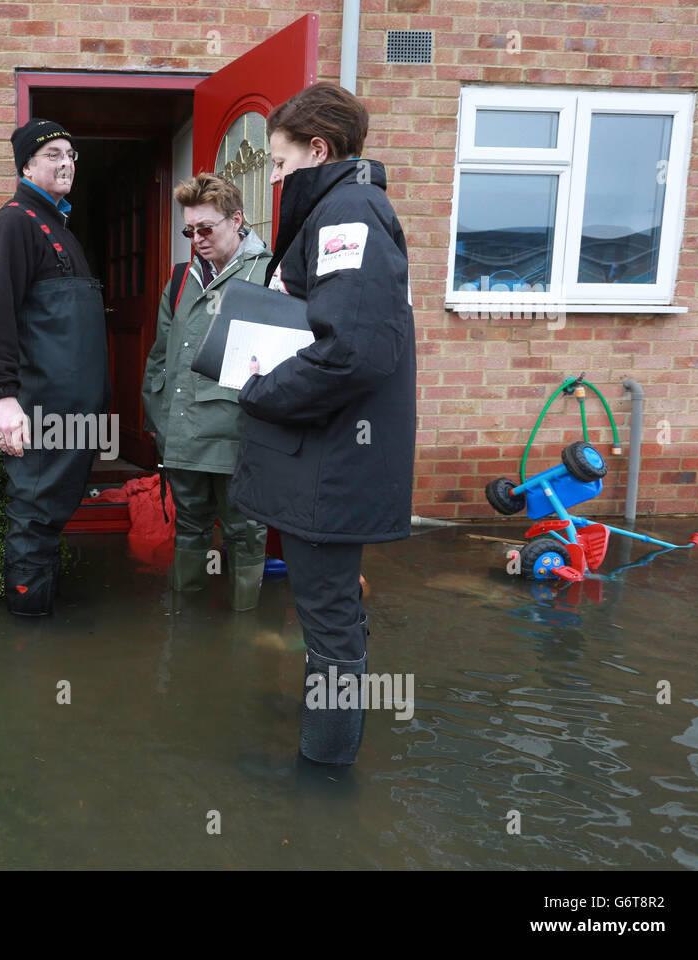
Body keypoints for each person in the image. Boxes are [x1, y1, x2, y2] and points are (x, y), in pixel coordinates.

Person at [230, 83, 417, 765]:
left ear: (318, 149)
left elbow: (353, 352)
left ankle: (323, 783)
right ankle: (323, 755)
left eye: (278, 166)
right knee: (331, 619)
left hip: (331, 465)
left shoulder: (350, 213)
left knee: (332, 631)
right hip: (322, 461)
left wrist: (259, 390)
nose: (274, 181)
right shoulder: (338, 211)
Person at [0, 118, 110, 616]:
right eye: (52, 153)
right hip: (38, 405)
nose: (65, 162)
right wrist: (3, 398)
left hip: (74, 409)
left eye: (71, 154)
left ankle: (44, 611)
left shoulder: (57, 226)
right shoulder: (14, 223)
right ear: (26, 165)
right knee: (34, 513)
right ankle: (28, 630)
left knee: (52, 512)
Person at [140, 173, 270, 610]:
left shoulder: (268, 273)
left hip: (240, 435)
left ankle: (243, 629)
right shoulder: (180, 279)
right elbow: (159, 357)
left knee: (245, 529)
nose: (197, 238)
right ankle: (185, 624)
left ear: (237, 220)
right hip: (182, 431)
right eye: (189, 231)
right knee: (189, 526)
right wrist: (157, 420)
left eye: (206, 229)